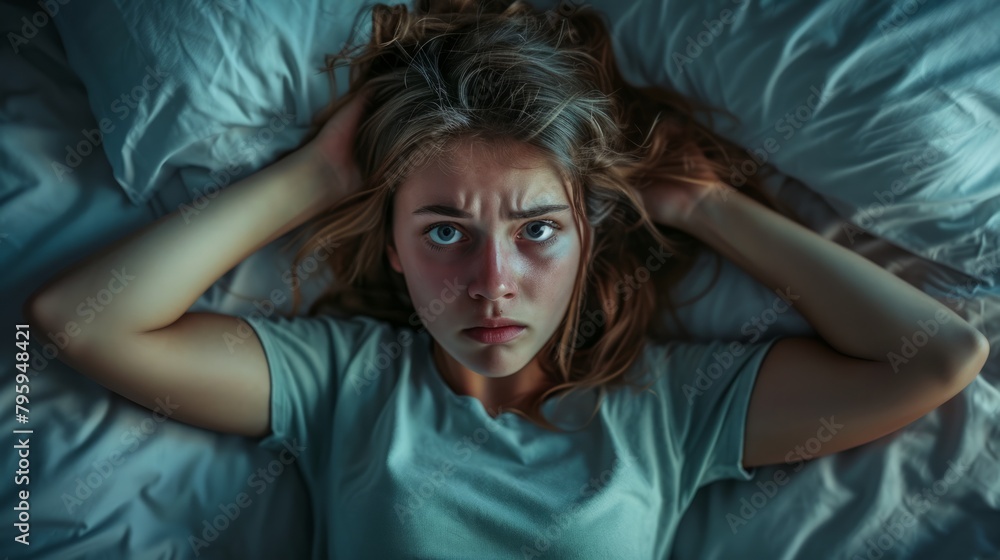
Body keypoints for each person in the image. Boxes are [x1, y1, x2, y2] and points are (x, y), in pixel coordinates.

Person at [24, 0, 989, 557]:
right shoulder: (346, 386)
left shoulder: (663, 410)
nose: (493, 282)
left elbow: (938, 355)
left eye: (538, 232)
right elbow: (83, 321)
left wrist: (703, 205)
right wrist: (315, 176)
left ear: (588, 238)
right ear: (392, 246)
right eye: (445, 232)